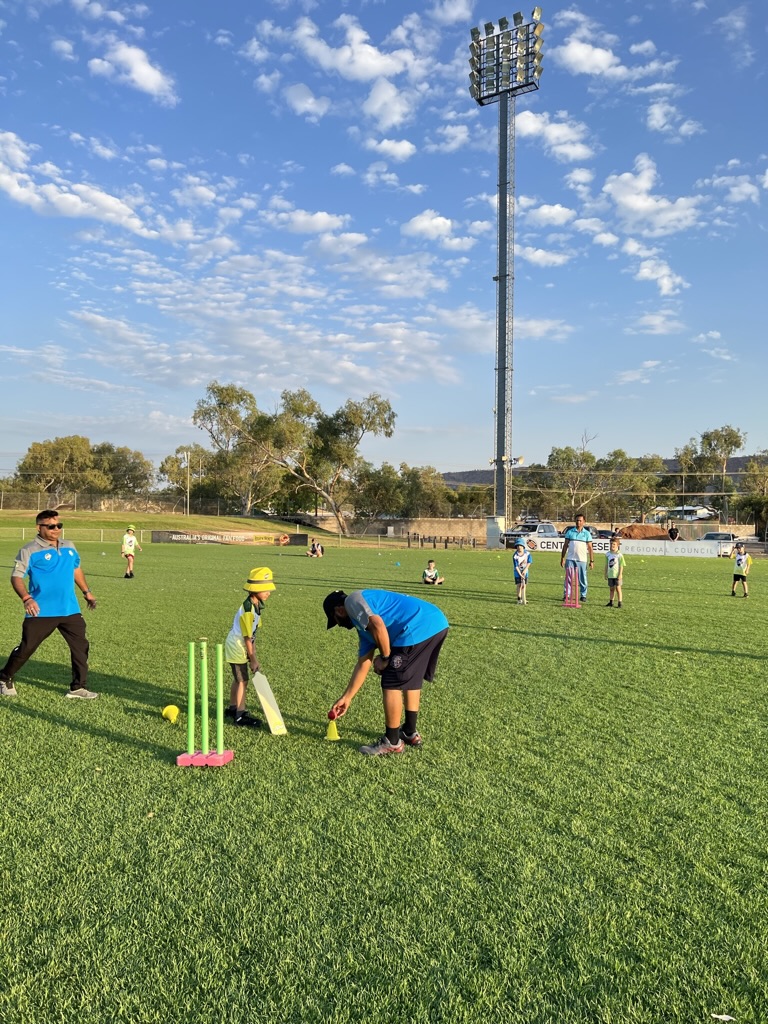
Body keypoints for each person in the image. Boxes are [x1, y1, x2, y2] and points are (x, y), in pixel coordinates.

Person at [324, 589, 449, 756]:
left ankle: (392, 742)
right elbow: (363, 664)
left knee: (392, 681)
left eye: (335, 620)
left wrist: (385, 658)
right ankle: (409, 732)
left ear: (339, 610)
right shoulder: (363, 630)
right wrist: (347, 697)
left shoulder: (352, 601)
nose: (339, 625)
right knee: (409, 679)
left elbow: (378, 625)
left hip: (417, 626)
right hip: (435, 622)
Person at [0, 510, 98, 699]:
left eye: (59, 525)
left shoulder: (69, 546)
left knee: (80, 647)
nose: (56, 529)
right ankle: (4, 678)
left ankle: (78, 688)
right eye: (51, 526)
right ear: (39, 527)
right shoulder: (29, 550)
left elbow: (76, 569)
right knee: (26, 648)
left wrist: (87, 592)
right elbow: (16, 577)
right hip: (41, 611)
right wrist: (27, 598)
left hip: (70, 609)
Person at [223, 567, 277, 727]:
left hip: (240, 646)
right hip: (237, 647)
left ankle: (233, 708)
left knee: (238, 679)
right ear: (256, 590)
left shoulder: (255, 606)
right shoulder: (248, 611)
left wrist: (253, 654)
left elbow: (252, 636)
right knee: (242, 681)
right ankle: (240, 715)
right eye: (265, 589)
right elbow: (247, 638)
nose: (269, 592)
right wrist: (253, 659)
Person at [560, 513, 594, 603]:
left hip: (582, 560)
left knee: (583, 578)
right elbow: (565, 545)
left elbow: (590, 548)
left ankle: (583, 595)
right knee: (568, 578)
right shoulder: (570, 532)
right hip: (570, 559)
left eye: (580, 520)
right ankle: (567, 594)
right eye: (577, 520)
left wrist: (591, 560)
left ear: (584, 522)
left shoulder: (587, 534)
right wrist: (562, 558)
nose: (578, 522)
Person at [604, 536, 626, 608]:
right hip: (610, 574)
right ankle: (611, 602)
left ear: (617, 545)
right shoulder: (608, 554)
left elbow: (621, 565)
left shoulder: (619, 555)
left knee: (618, 588)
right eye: (611, 544)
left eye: (614, 544)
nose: (612, 546)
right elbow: (606, 564)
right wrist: (605, 573)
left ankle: (620, 602)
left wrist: (620, 574)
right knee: (611, 589)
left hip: (617, 575)